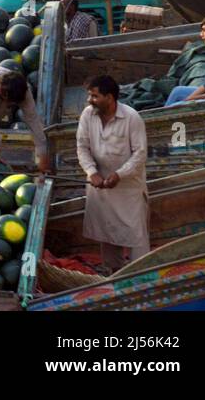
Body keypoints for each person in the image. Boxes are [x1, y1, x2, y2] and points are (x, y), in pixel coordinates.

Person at [75, 75, 149, 274]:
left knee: (136, 234)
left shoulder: (132, 117)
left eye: (94, 96)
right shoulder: (87, 115)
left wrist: (119, 174)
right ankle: (113, 272)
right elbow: (82, 147)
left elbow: (140, 154)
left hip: (128, 186)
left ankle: (139, 275)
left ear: (109, 97)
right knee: (107, 231)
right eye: (90, 95)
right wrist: (91, 172)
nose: (90, 100)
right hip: (100, 184)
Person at [165, 15, 205, 105]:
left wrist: (193, 99)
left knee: (175, 106)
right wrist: (190, 98)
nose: (201, 34)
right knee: (178, 91)